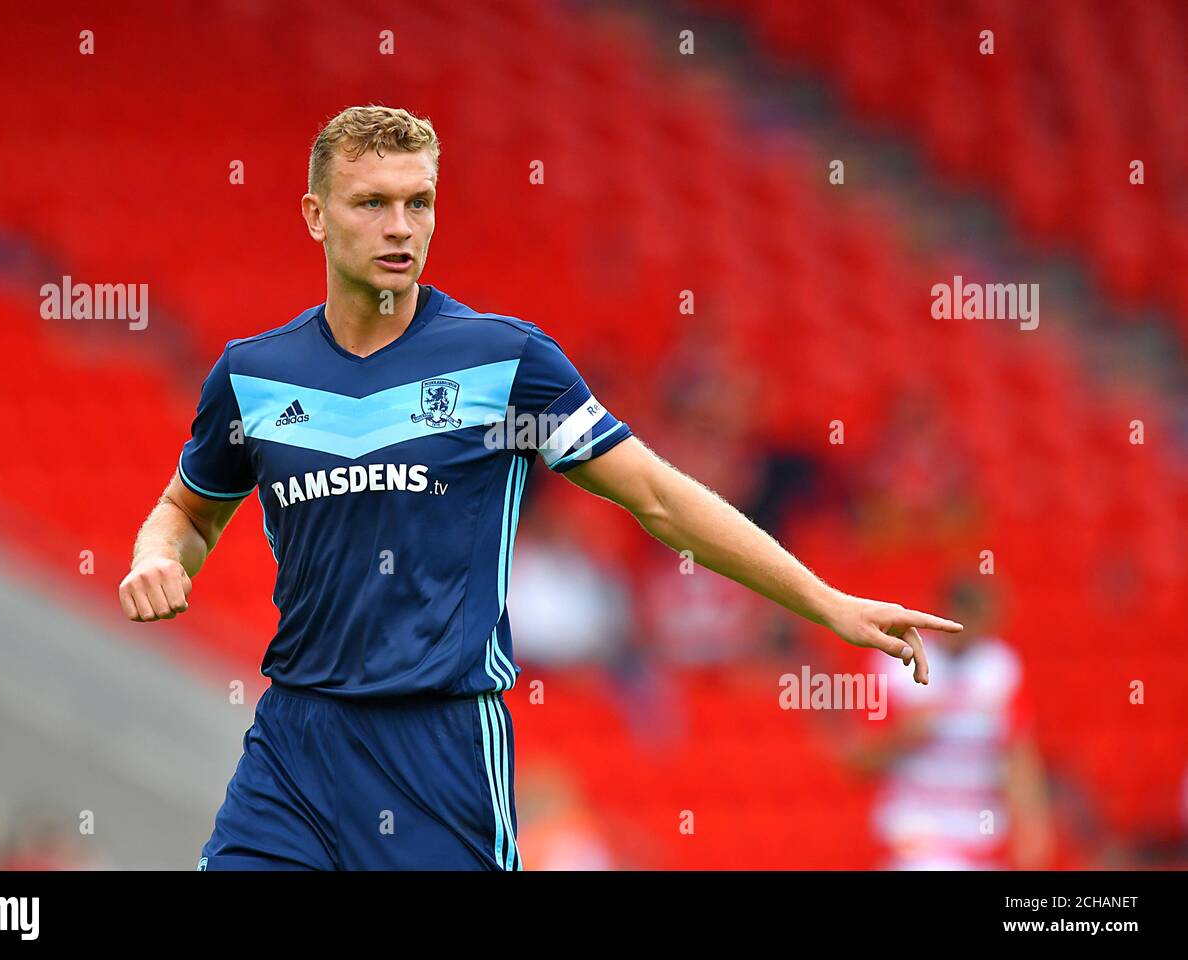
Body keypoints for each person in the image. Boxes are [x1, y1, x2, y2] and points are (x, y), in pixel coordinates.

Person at [118, 105, 963, 871]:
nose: (400, 227)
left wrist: (824, 601)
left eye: (419, 202)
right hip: (294, 744)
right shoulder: (253, 376)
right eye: (371, 202)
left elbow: (658, 497)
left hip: (439, 747)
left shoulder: (503, 362)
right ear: (314, 214)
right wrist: (159, 556)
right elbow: (187, 510)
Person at [845, 578, 1053, 869]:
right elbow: (858, 760)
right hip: (914, 842)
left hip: (979, 842)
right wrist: (903, 736)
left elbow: (1017, 753)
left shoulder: (1000, 668)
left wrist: (1032, 825)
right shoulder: (896, 663)